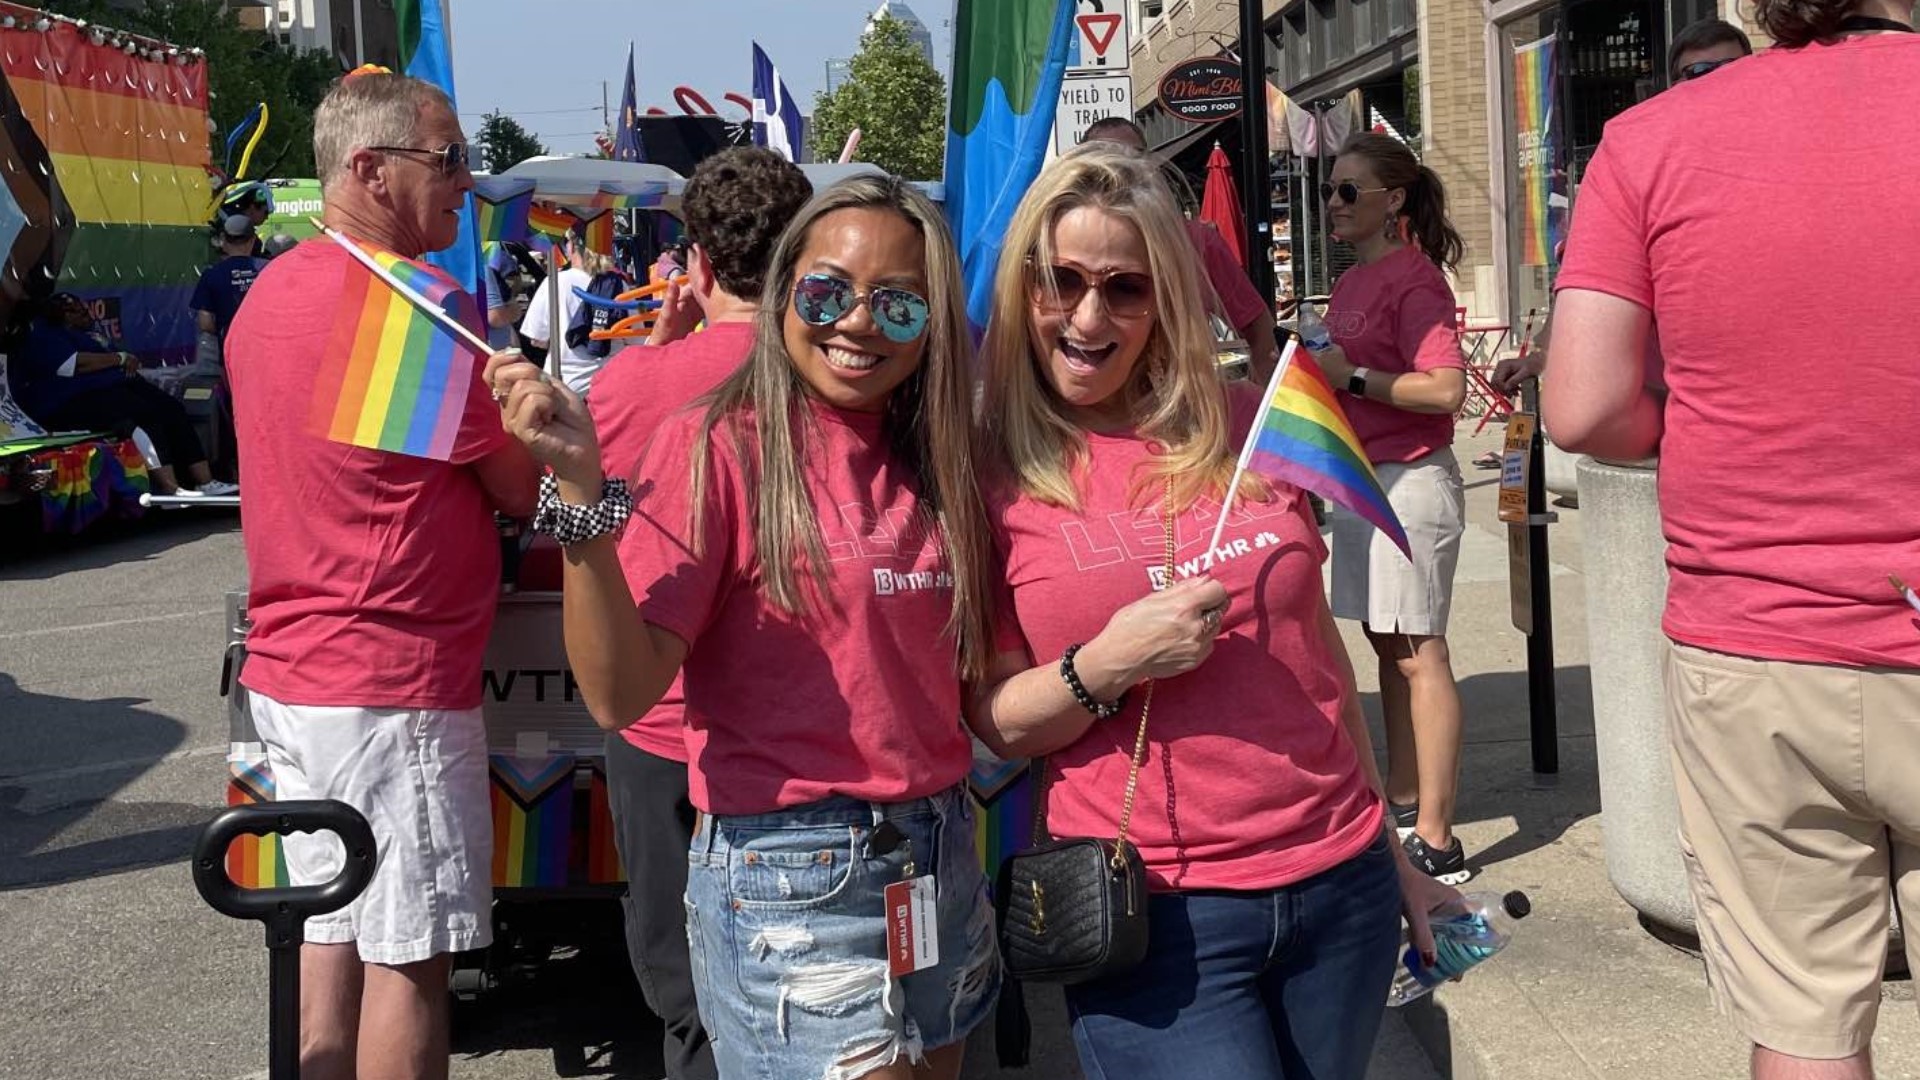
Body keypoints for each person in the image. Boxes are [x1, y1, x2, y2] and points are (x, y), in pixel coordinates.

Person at [490, 175, 1000, 1080]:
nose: (858, 322)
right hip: (794, 870)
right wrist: (579, 499)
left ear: (933, 322)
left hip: (937, 857)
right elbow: (620, 692)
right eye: (828, 292)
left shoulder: (941, 451)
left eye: (898, 303)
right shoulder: (723, 443)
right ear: (784, 290)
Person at [969, 143, 1455, 1080]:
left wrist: (1392, 851)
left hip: (1341, 884)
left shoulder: (1251, 423)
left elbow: (1317, 661)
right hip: (1156, 910)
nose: (1087, 317)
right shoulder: (987, 468)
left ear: (1165, 300)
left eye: (1125, 288)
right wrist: (1108, 662)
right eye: (1060, 280)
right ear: (1023, 282)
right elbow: (992, 722)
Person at [1544, 1, 1920, 1076]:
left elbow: (1583, 406)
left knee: (1801, 1024)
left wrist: (1707, 424)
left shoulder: (1654, 139)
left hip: (1753, 646)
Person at [226, 70, 539, 1080]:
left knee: (329, 928)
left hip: (296, 670)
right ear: (368, 168)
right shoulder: (412, 304)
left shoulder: (272, 291)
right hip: (389, 681)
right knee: (410, 953)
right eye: (448, 159)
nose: (466, 181)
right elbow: (523, 488)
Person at [583, 144, 811, 1080]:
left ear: (700, 265)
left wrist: (654, 353)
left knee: (688, 990)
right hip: (796, 729)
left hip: (660, 721)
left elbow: (589, 501)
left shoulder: (631, 384)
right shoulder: (840, 372)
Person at [1304, 133, 1471, 884]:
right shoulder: (1350, 283)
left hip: (1412, 479)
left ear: (1393, 199)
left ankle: (1437, 833)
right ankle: (1406, 801)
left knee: (1419, 652)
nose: (1333, 203)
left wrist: (1351, 377)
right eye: (1329, 189)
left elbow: (1445, 389)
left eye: (1348, 190)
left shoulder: (1415, 280)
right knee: (1389, 647)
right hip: (1364, 480)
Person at [1488, 19, 1754, 399]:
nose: (1717, 84)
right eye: (1699, 72)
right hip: (1666, 404)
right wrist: (1540, 357)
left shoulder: (1779, 167)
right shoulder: (1637, 167)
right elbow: (1585, 284)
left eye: (1732, 69)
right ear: (1674, 87)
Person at [1080, 117, 1280, 383]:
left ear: (1149, 166)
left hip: (1185, 403)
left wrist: (1255, 400)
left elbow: (1261, 333)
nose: (1118, 169)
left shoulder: (1198, 242)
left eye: (1133, 157)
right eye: (1104, 158)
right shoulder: (1060, 245)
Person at [7, 292, 234, 497]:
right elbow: (73, 365)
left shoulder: (88, 334)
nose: (88, 316)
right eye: (81, 312)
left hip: (116, 384)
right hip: (77, 397)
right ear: (66, 315)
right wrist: (119, 359)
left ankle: (205, 481)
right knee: (145, 415)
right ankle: (170, 489)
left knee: (171, 408)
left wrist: (123, 360)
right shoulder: (43, 334)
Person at [517, 236, 610, 394]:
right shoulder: (618, 283)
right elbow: (635, 339)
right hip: (609, 383)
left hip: (566, 384)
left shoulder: (554, 282)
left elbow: (537, 339)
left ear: (571, 247)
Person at [191, 214, 269, 345]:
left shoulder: (211, 274)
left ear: (223, 240)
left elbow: (205, 322)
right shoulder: (269, 268)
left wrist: (226, 333)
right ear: (252, 241)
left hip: (229, 346)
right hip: (263, 345)